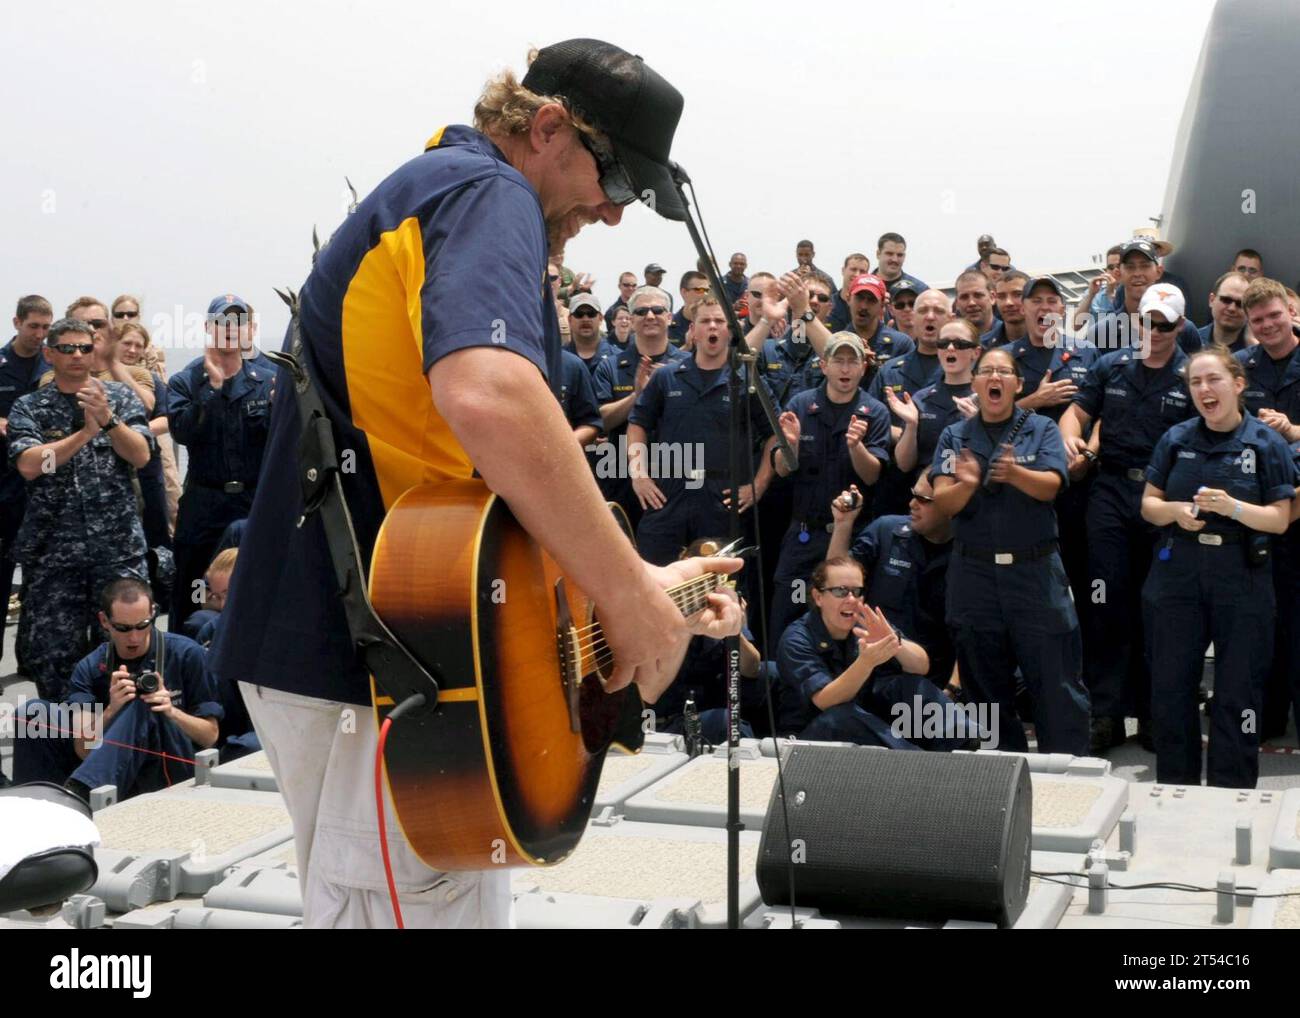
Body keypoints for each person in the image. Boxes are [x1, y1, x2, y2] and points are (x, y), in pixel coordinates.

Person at [208, 40, 742, 930]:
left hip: (413, 650)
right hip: (381, 662)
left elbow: (474, 494)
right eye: (613, 179)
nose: (612, 214)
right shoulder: (487, 191)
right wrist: (625, 587)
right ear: (546, 129)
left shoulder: (445, 187)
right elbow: (489, 392)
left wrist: (650, 602)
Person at [1140, 347, 1294, 787]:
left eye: (1214, 380)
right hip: (1179, 575)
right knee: (1171, 688)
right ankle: (1175, 787)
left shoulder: (1266, 442)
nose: (1204, 390)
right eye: (1195, 383)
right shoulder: (1176, 438)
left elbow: (1280, 519)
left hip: (1241, 576)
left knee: (1238, 693)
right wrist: (1173, 511)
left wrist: (1234, 507)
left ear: (1238, 384)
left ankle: (1233, 790)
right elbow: (1148, 505)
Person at [930, 345, 1090, 755]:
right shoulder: (955, 435)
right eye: (986, 372)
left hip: (1034, 572)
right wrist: (966, 484)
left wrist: (1015, 473)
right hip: (975, 575)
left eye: (1004, 373)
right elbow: (942, 504)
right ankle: (1001, 772)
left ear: (1018, 385)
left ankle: (1068, 772)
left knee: (1055, 681)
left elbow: (1053, 485)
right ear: (976, 383)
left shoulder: (1041, 429)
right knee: (984, 686)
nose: (995, 378)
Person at [1061, 284, 1195, 753]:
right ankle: (1107, 715)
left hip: (1165, 498)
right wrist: (1072, 440)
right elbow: (1075, 415)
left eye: (1165, 324)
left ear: (1180, 326)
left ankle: (1160, 714)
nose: (1154, 332)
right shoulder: (1109, 366)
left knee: (1160, 610)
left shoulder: (1191, 376)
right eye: (1148, 321)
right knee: (1106, 605)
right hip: (1111, 494)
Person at [6, 318, 153, 701]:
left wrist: (107, 422)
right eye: (67, 348)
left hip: (117, 550)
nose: (76, 356)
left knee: (129, 651)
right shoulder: (31, 406)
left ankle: (124, 744)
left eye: (85, 348)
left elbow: (139, 455)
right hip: (56, 556)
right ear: (49, 353)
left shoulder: (118, 399)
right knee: (54, 658)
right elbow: (32, 465)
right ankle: (64, 746)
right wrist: (83, 436)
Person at [11, 578, 221, 800]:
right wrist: (112, 709)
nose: (134, 637)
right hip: (113, 769)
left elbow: (210, 736)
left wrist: (171, 711)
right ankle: (31, 807)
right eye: (123, 628)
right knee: (33, 713)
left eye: (143, 625)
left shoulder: (186, 654)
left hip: (173, 765)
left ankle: (78, 795)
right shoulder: (91, 667)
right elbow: (84, 749)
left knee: (145, 704)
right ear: (104, 621)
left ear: (153, 613)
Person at [627, 296, 778, 567]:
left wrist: (759, 485)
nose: (712, 327)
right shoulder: (666, 377)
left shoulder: (747, 380)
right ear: (693, 331)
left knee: (721, 587)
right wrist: (639, 475)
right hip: (667, 494)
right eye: (705, 321)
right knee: (655, 581)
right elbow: (637, 423)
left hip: (721, 499)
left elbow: (774, 435)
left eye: (720, 321)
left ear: (731, 331)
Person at [768, 332, 890, 646]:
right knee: (790, 613)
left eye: (853, 361)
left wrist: (857, 446)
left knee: (844, 625)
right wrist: (790, 445)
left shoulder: (873, 411)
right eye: (839, 360)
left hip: (851, 535)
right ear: (824, 365)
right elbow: (781, 469)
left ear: (864, 368)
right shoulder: (800, 403)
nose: (845, 369)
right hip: (804, 534)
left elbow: (873, 475)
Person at [167, 295, 275, 628]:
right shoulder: (186, 381)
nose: (230, 330)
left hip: (253, 501)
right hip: (204, 504)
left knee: (258, 586)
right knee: (193, 590)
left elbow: (282, 443)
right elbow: (184, 432)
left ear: (250, 329)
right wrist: (213, 388)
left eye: (238, 323)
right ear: (208, 329)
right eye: (222, 323)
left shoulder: (271, 380)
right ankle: (184, 667)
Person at [1235, 278, 1300, 739]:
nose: (1268, 325)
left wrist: (1294, 431)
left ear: (1290, 311)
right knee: (1267, 619)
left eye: (1274, 315)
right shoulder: (1241, 368)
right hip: (1261, 512)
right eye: (1258, 320)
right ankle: (1270, 716)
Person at [775, 556, 924, 748]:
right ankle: (920, 763)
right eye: (840, 591)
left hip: (861, 723)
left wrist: (895, 642)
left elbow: (921, 666)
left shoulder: (867, 624)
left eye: (857, 591)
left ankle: (968, 741)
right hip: (809, 736)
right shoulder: (796, 638)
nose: (851, 599)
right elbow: (825, 701)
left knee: (908, 685)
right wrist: (866, 662)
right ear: (818, 597)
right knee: (841, 716)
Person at [829, 474, 959, 690]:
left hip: (932, 678)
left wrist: (953, 690)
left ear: (951, 507)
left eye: (924, 499)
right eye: (913, 495)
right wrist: (843, 524)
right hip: (871, 669)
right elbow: (834, 582)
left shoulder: (968, 557)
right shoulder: (886, 531)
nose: (912, 504)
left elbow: (970, 637)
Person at [593, 285, 689, 529]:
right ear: (631, 319)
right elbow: (601, 421)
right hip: (620, 474)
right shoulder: (611, 367)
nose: (649, 316)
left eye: (658, 310)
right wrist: (638, 395)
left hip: (678, 472)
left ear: (670, 317)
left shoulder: (689, 365)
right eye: (641, 311)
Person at [1, 295, 52, 666]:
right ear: (17, 322)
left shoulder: (53, 362)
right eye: (33, 325)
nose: (39, 334)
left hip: (42, 484)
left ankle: (30, 656)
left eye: (46, 327)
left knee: (41, 574)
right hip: (4, 485)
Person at [891, 318, 980, 475]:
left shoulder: (986, 398)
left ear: (976, 352)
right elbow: (904, 464)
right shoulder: (921, 399)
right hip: (925, 492)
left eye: (960, 344)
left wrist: (981, 425)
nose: (950, 348)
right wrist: (911, 426)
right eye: (943, 343)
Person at [846, 273, 914, 364]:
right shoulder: (837, 343)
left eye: (871, 300)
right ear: (848, 299)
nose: (864, 306)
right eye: (859, 298)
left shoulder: (900, 345)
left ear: (882, 305)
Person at [1198, 272, 1253, 352]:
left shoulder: (1257, 351)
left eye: (1240, 304)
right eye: (1226, 300)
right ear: (1212, 300)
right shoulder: (1192, 341)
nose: (1232, 308)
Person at [564, 292, 617, 373]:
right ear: (569, 320)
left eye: (591, 314)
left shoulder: (617, 357)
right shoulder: (557, 359)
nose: (585, 319)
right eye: (579, 314)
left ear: (600, 318)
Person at [982, 269, 1030, 348]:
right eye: (1001, 296)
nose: (1008, 302)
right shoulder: (984, 346)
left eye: (1017, 294)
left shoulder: (1051, 341)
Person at [828, 252, 872, 332]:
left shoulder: (870, 306)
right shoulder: (827, 303)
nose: (857, 274)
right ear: (843, 270)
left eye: (862, 271)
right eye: (853, 269)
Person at [669, 271, 709, 344]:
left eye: (707, 291)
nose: (705, 295)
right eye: (700, 290)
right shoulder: (669, 326)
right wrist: (686, 347)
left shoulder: (713, 324)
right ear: (684, 292)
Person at [954, 269, 996, 336]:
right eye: (964, 297)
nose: (971, 303)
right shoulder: (950, 341)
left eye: (978, 295)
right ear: (957, 303)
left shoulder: (1009, 335)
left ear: (992, 297)